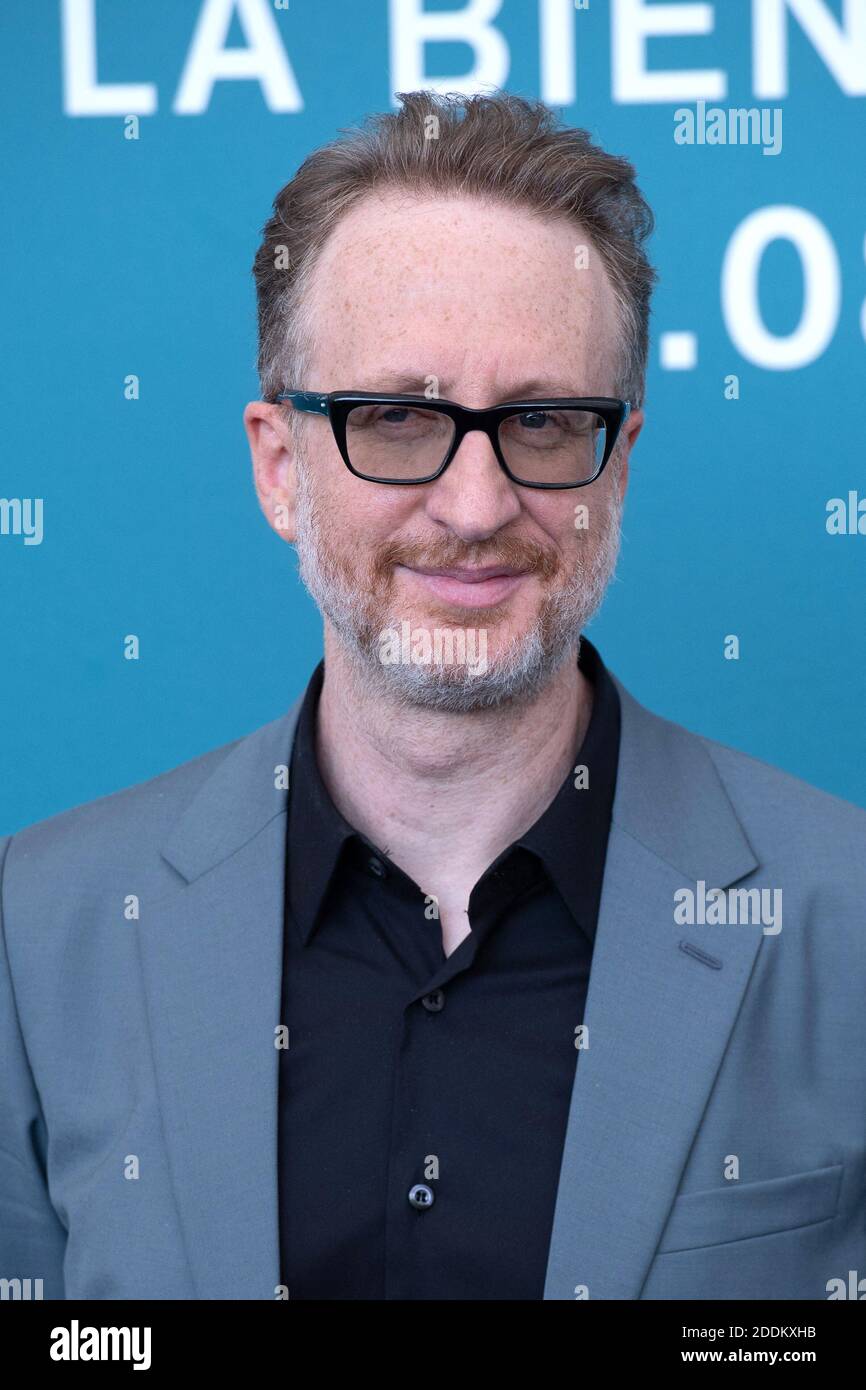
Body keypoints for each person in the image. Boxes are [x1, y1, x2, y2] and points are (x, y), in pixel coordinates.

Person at [2, 91, 864, 1302]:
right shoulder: (36, 939)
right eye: (395, 418)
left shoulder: (846, 922)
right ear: (276, 465)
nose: (472, 507)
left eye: (543, 420)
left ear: (615, 467)